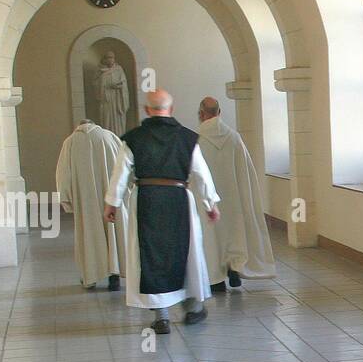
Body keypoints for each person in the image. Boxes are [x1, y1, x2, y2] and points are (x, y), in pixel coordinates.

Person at [104, 89, 220, 334]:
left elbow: (120, 173)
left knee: (151, 255)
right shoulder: (187, 138)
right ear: (172, 109)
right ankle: (193, 309)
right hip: (179, 199)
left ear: (147, 110)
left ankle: (161, 317)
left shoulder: (134, 138)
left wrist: (112, 203)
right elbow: (201, 172)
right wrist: (211, 203)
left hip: (146, 199)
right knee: (186, 253)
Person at [195, 96, 277, 292]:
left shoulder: (195, 139)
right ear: (219, 112)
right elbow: (246, 171)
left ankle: (216, 278)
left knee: (212, 236)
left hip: (207, 199)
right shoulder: (234, 137)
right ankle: (234, 268)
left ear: (201, 114)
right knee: (234, 232)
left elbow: (193, 171)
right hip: (233, 198)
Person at [56, 119, 124, 291]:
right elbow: (124, 165)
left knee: (88, 235)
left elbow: (63, 173)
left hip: (84, 199)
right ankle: (114, 276)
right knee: (113, 234)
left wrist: (66, 198)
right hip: (111, 196)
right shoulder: (109, 137)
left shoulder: (70, 142)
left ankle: (90, 278)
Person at [97, 51, 129, 135]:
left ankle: (120, 136)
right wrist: (106, 86)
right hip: (106, 100)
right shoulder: (100, 71)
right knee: (107, 119)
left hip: (118, 100)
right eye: (108, 58)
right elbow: (96, 85)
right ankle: (108, 138)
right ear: (104, 59)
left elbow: (124, 83)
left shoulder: (119, 70)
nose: (110, 60)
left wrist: (119, 86)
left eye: (112, 58)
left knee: (118, 120)